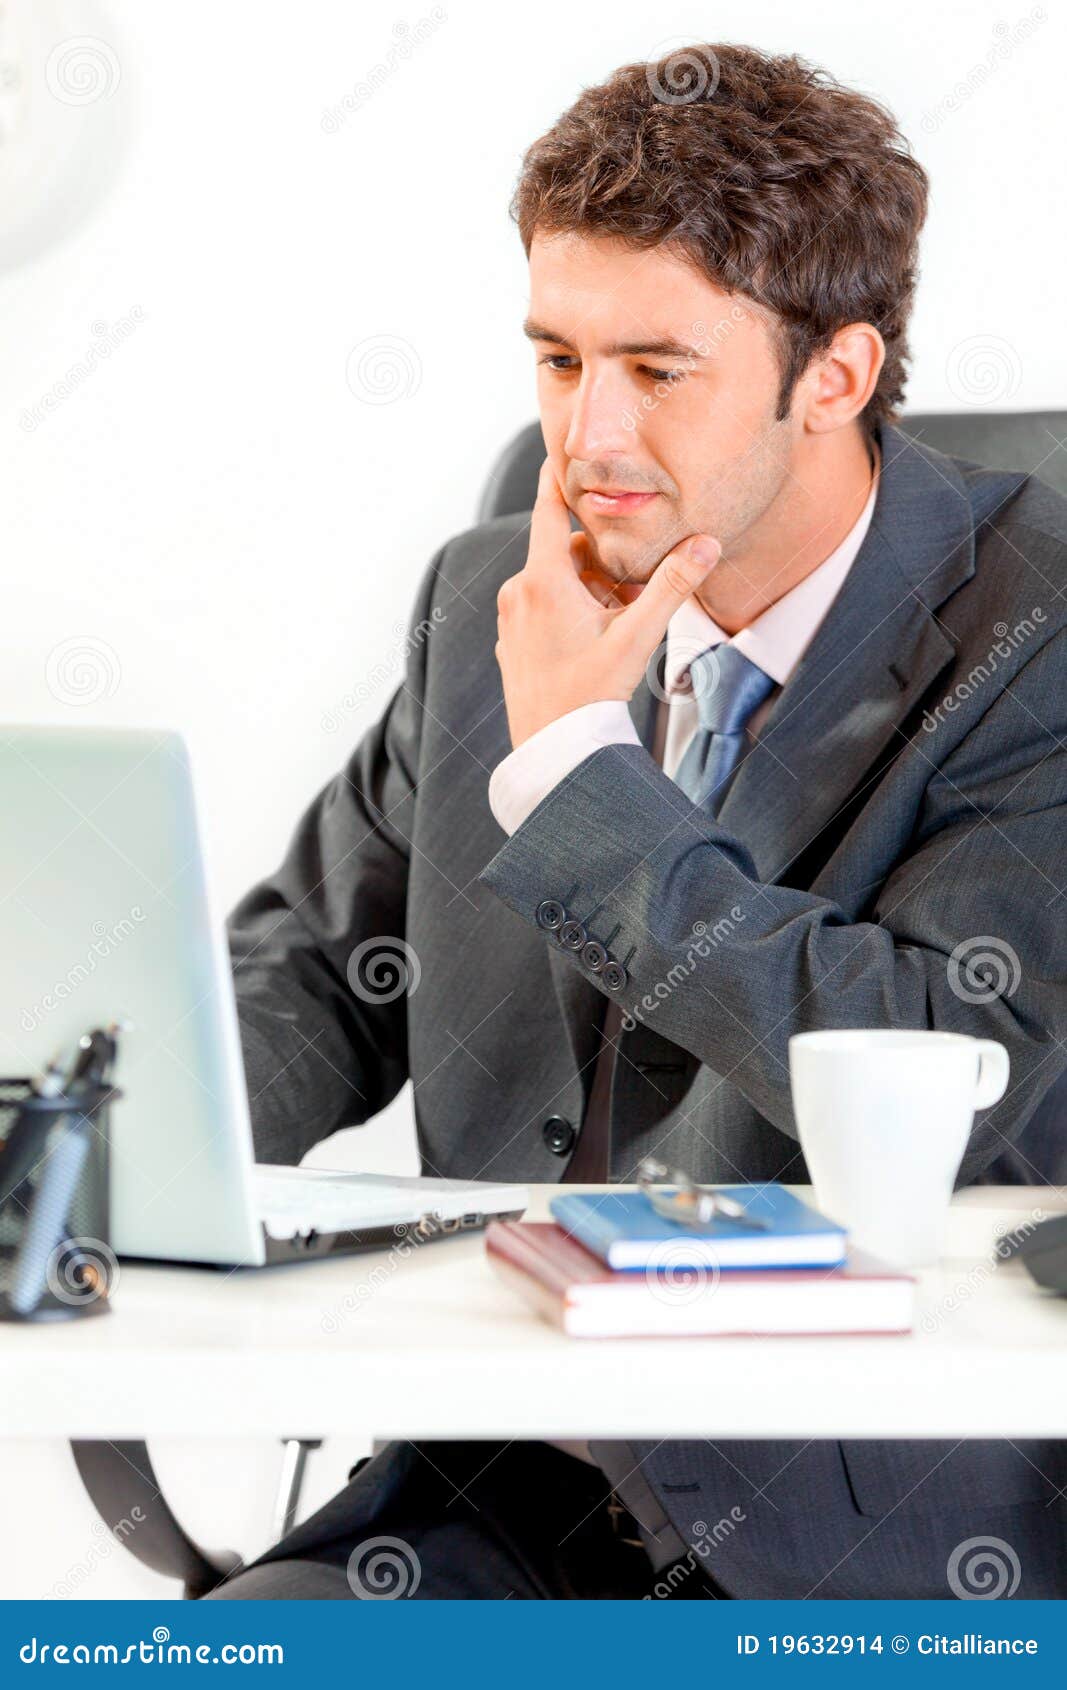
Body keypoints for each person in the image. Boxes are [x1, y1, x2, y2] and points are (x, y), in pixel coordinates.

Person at [210, 44, 1067, 1599]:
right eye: (556, 359)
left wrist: (583, 784)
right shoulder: (491, 595)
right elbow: (324, 978)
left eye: (657, 371)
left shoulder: (1041, 635)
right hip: (490, 1482)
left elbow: (973, 1071)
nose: (588, 437)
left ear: (838, 375)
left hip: (863, 1530)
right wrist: (117, 1145)